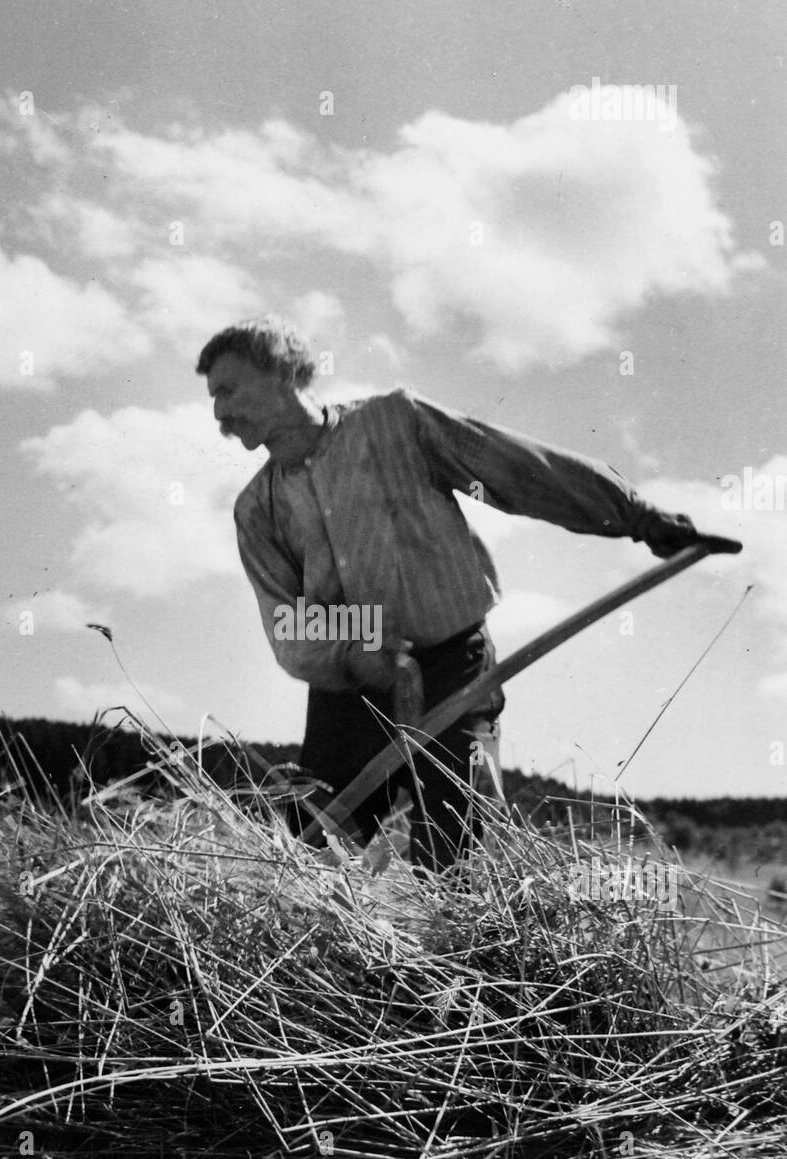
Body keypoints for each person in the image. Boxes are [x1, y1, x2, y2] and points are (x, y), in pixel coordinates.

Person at [196, 316, 700, 873]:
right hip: (351, 693)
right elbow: (288, 623)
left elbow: (516, 468)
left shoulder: (396, 421)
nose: (219, 412)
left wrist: (636, 514)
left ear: (283, 371)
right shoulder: (257, 509)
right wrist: (358, 648)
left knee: (455, 855)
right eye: (213, 396)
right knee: (314, 858)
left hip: (453, 666)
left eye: (228, 389)